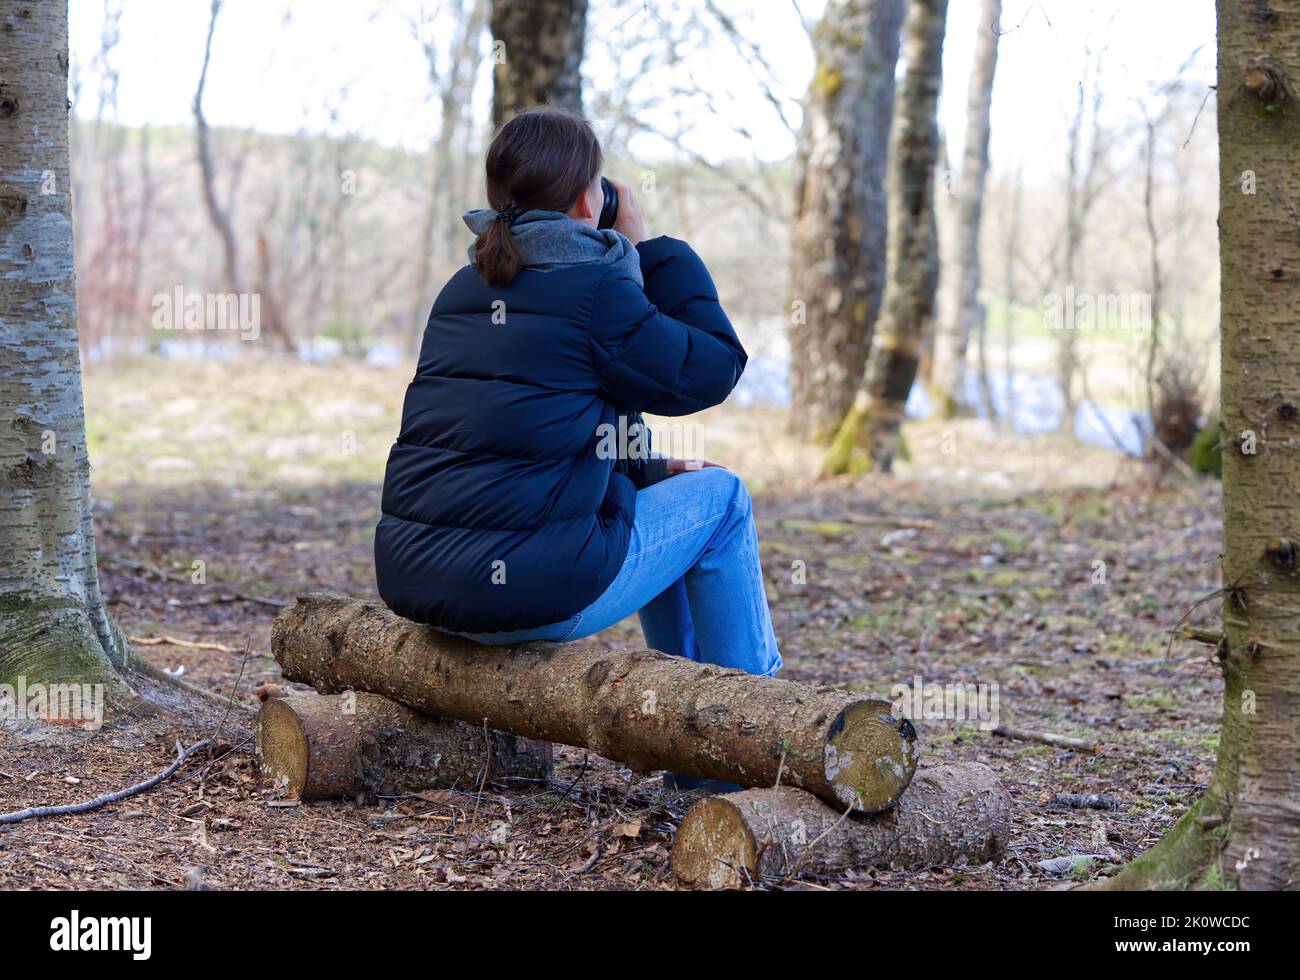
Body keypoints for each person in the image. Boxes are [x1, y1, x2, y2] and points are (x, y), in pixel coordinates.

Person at [374, 107, 781, 788]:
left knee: (672, 491)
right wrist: (654, 250)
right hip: (529, 592)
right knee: (726, 499)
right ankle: (752, 733)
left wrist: (652, 467)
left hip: (426, 584)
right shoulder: (597, 288)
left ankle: (694, 737)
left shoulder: (465, 288)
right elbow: (713, 368)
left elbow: (528, 424)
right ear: (588, 196)